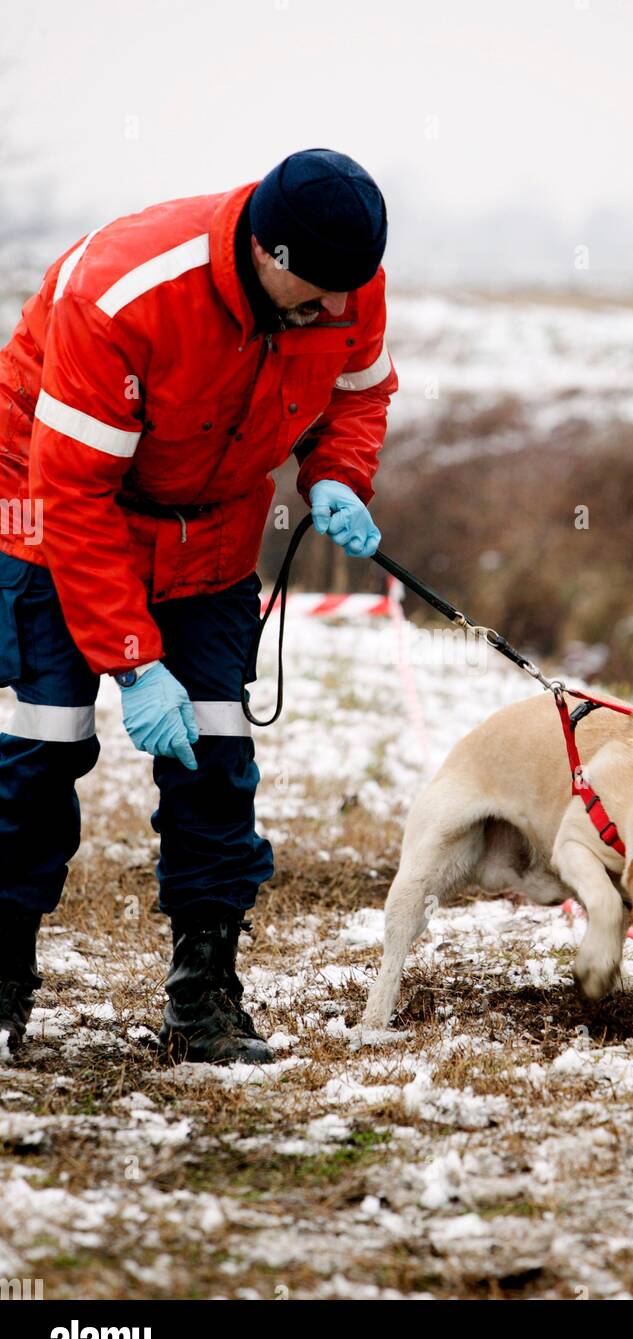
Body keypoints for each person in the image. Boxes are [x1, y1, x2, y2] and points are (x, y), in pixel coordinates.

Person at [0, 148, 397, 1064]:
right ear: (269, 249)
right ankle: (2, 978)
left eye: (353, 292)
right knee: (43, 741)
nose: (340, 312)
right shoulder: (126, 297)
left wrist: (338, 475)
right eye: (321, 292)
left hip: (211, 526)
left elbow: (360, 392)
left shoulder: (344, 279)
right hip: (50, 509)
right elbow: (74, 499)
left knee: (217, 751)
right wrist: (135, 662)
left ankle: (204, 993)